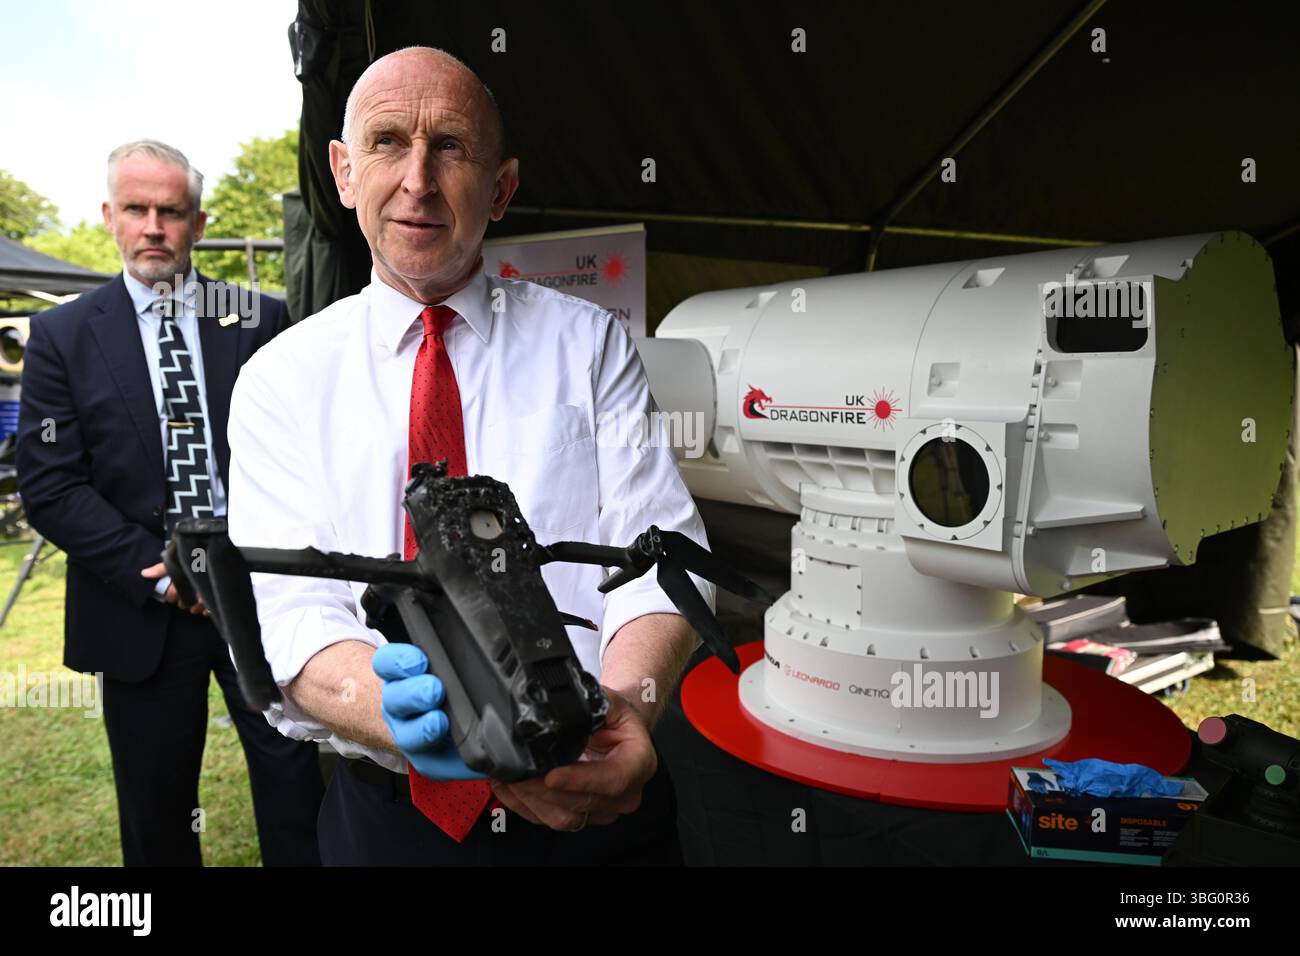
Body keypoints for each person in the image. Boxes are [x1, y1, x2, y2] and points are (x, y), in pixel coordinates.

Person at [225, 46, 715, 865]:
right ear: (343, 174)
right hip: (394, 818)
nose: (417, 178)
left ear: (502, 186)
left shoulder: (588, 345)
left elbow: (662, 553)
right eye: (387, 143)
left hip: (594, 789)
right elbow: (287, 609)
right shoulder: (281, 379)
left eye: (450, 146)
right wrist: (400, 716)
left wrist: (632, 702)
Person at [16, 140, 325, 866]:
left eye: (171, 211)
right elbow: (50, 483)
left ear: (199, 220)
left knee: (296, 785)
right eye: (136, 209)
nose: (153, 226)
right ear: (108, 216)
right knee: (157, 812)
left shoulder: (258, 318)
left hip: (260, 593)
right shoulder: (62, 335)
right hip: (140, 608)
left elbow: (302, 459)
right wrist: (159, 571)